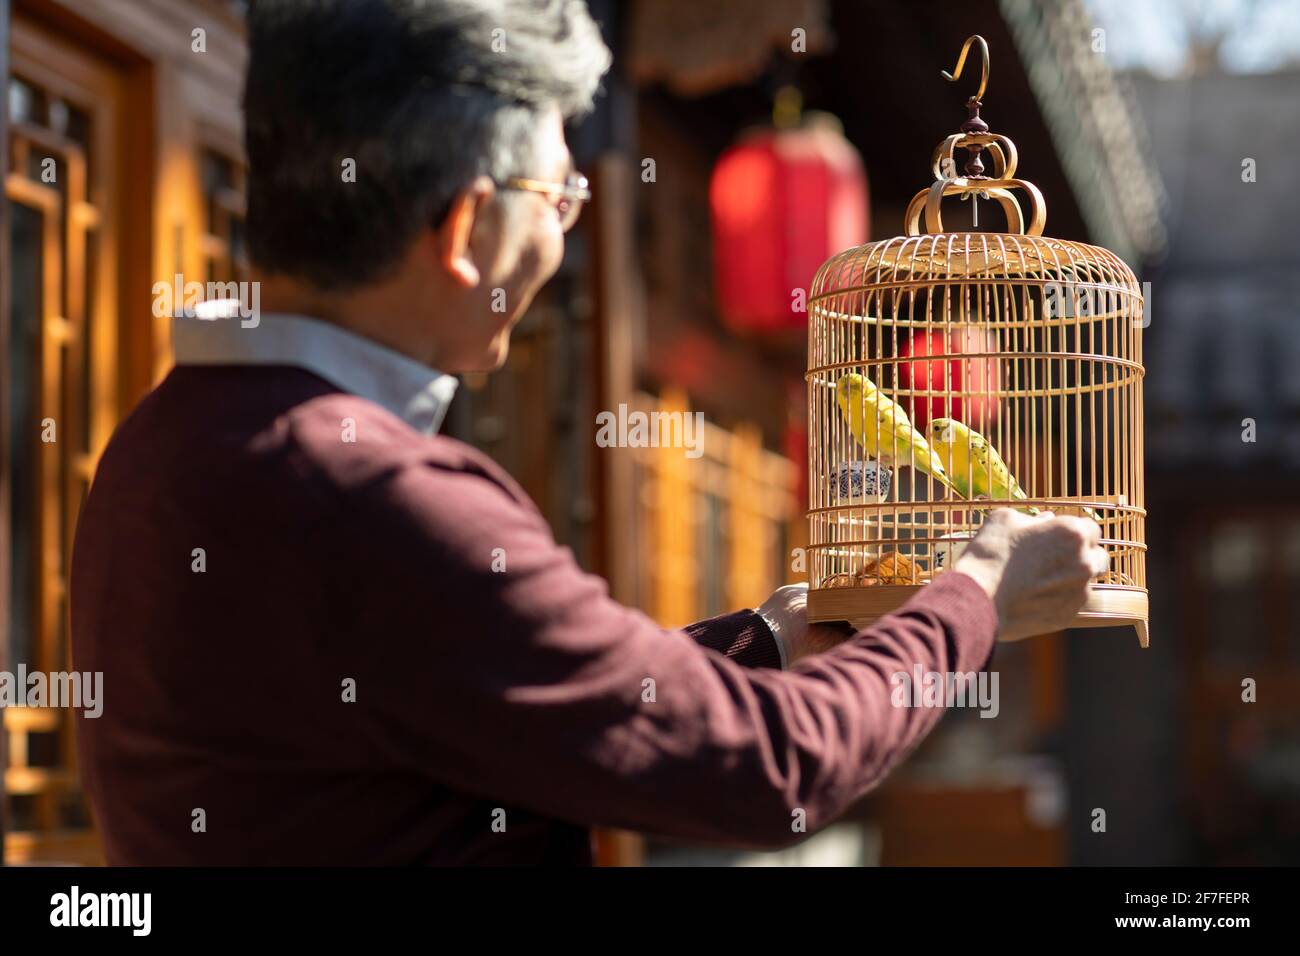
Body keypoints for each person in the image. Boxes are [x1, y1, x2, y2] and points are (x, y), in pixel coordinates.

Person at [70, 0, 1106, 865]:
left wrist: (770, 635)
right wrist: (971, 595)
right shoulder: (379, 495)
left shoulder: (168, 437)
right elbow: (770, 771)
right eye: (559, 198)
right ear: (468, 228)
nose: (563, 237)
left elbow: (507, 692)